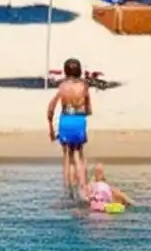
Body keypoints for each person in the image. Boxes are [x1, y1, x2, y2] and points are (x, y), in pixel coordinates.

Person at [47, 58, 92, 199]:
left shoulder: (62, 86)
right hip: (79, 119)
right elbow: (89, 109)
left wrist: (50, 126)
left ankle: (68, 190)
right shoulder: (84, 86)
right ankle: (83, 187)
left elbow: (51, 108)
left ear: (65, 71)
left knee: (67, 155)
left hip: (66, 119)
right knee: (79, 154)